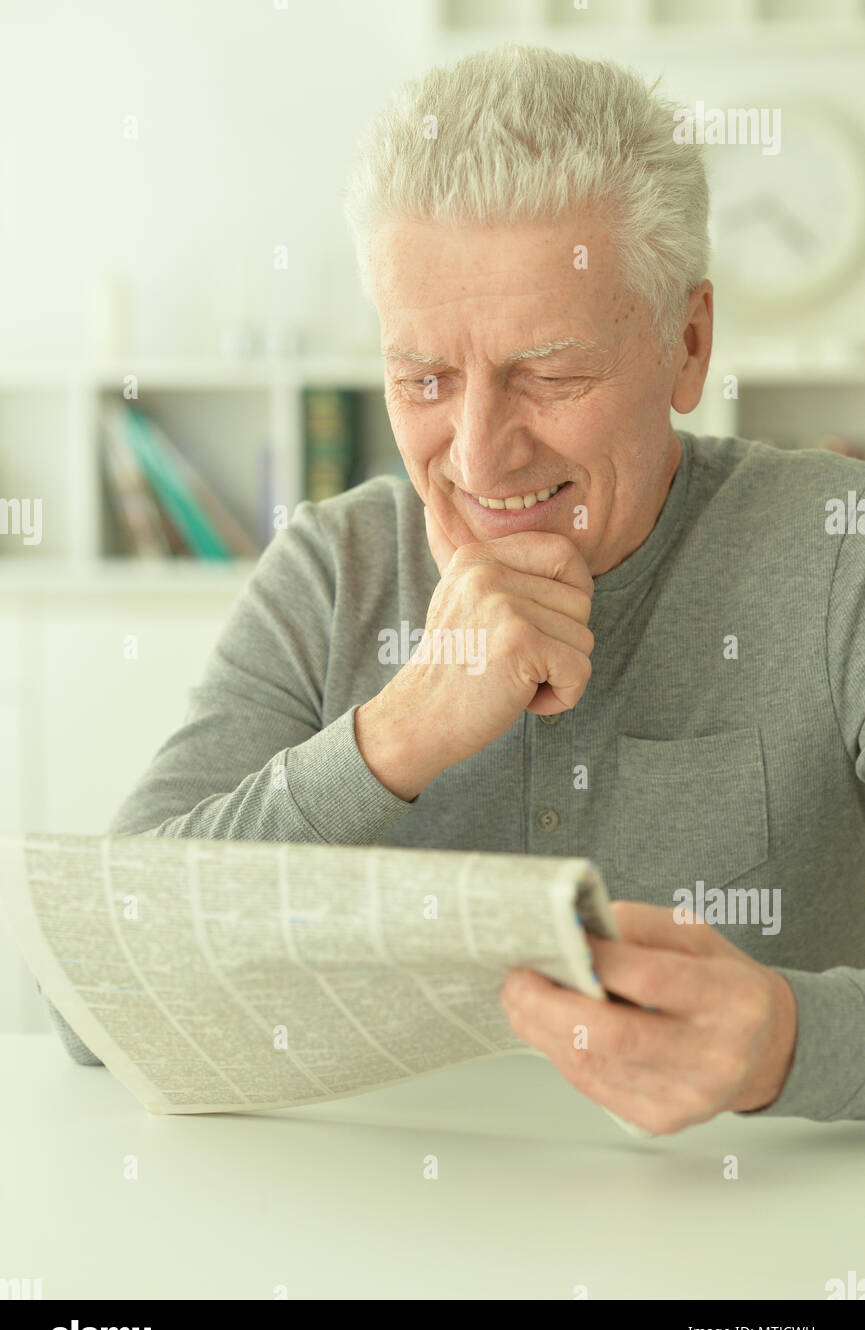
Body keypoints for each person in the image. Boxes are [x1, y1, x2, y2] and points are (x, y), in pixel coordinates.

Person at [44, 45, 865, 1132]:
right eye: (424, 379)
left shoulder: (834, 553)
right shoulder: (333, 569)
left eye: (549, 374)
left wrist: (788, 1043)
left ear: (688, 343)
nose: (478, 458)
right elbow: (91, 995)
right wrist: (398, 733)